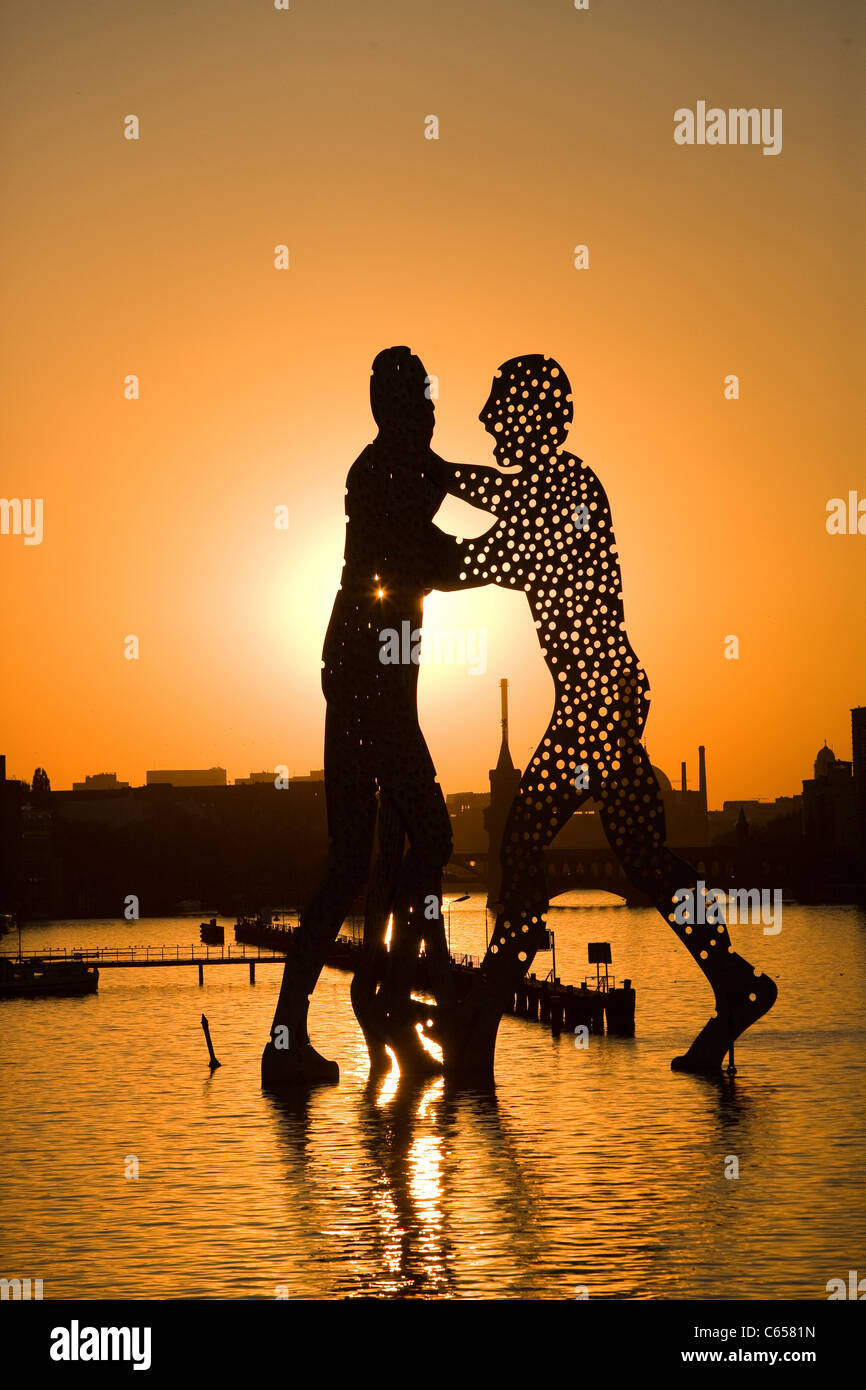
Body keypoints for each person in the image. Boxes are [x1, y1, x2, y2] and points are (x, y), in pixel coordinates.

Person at [441, 355, 777, 1079]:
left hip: (598, 703)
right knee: (644, 858)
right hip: (604, 698)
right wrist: (433, 472)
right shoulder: (553, 485)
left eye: (499, 406)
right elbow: (494, 494)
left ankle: (478, 1035)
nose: (487, 419)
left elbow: (478, 554)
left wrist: (411, 529)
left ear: (529, 416)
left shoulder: (562, 492)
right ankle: (734, 982)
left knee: (522, 848)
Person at [262, 346, 506, 1084]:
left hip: (375, 678)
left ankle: (334, 1018)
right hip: (369, 681)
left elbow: (466, 487)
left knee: (368, 858)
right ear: (393, 410)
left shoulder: (405, 467)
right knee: (424, 834)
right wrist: (510, 555)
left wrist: (521, 516)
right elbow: (429, 557)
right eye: (421, 402)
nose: (434, 413)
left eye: (431, 400)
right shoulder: (380, 477)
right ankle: (379, 995)